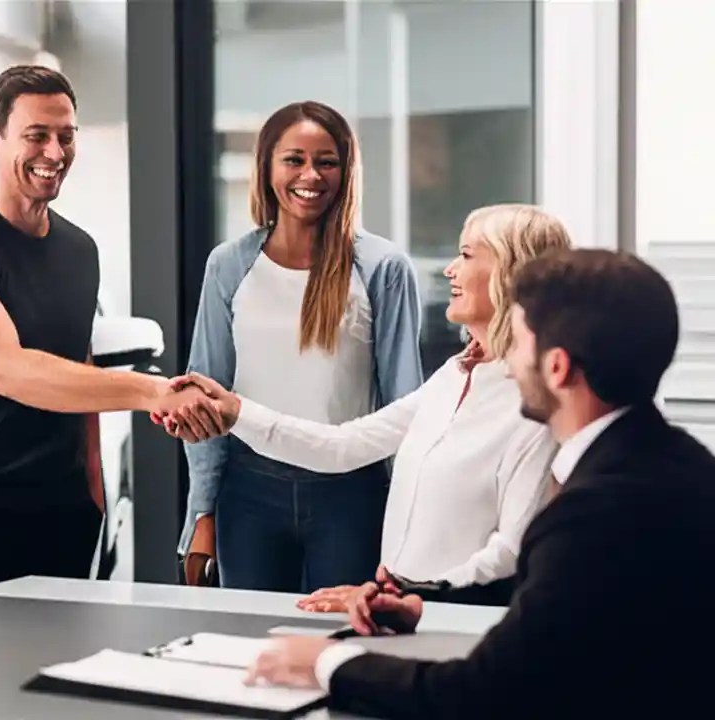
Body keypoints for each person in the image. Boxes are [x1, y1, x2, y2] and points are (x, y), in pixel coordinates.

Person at [243, 249, 715, 718]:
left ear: (557, 367)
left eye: (520, 341)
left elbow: (484, 693)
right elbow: (569, 616)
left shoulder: (593, 512)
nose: (508, 361)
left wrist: (329, 661)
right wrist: (425, 605)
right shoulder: (685, 466)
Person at [0, 65, 211, 604]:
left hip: (58, 509)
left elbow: (78, 363)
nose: (55, 152)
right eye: (36, 135)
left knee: (54, 674)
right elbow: (11, 371)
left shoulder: (78, 249)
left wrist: (93, 492)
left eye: (66, 136)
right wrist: (151, 391)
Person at [164, 205, 569, 602]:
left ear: (513, 274)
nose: (450, 270)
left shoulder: (535, 407)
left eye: (465, 256)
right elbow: (344, 446)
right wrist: (236, 412)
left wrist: (403, 594)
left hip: (460, 626)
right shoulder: (454, 376)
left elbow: (512, 554)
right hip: (405, 617)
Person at [177, 100, 424, 594]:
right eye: (294, 159)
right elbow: (206, 396)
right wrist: (202, 515)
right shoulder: (229, 265)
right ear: (268, 167)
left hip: (351, 496)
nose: (310, 174)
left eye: (326, 161)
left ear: (345, 171)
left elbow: (405, 407)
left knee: (342, 650)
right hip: (248, 497)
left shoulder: (382, 267)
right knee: (246, 653)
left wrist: (407, 529)